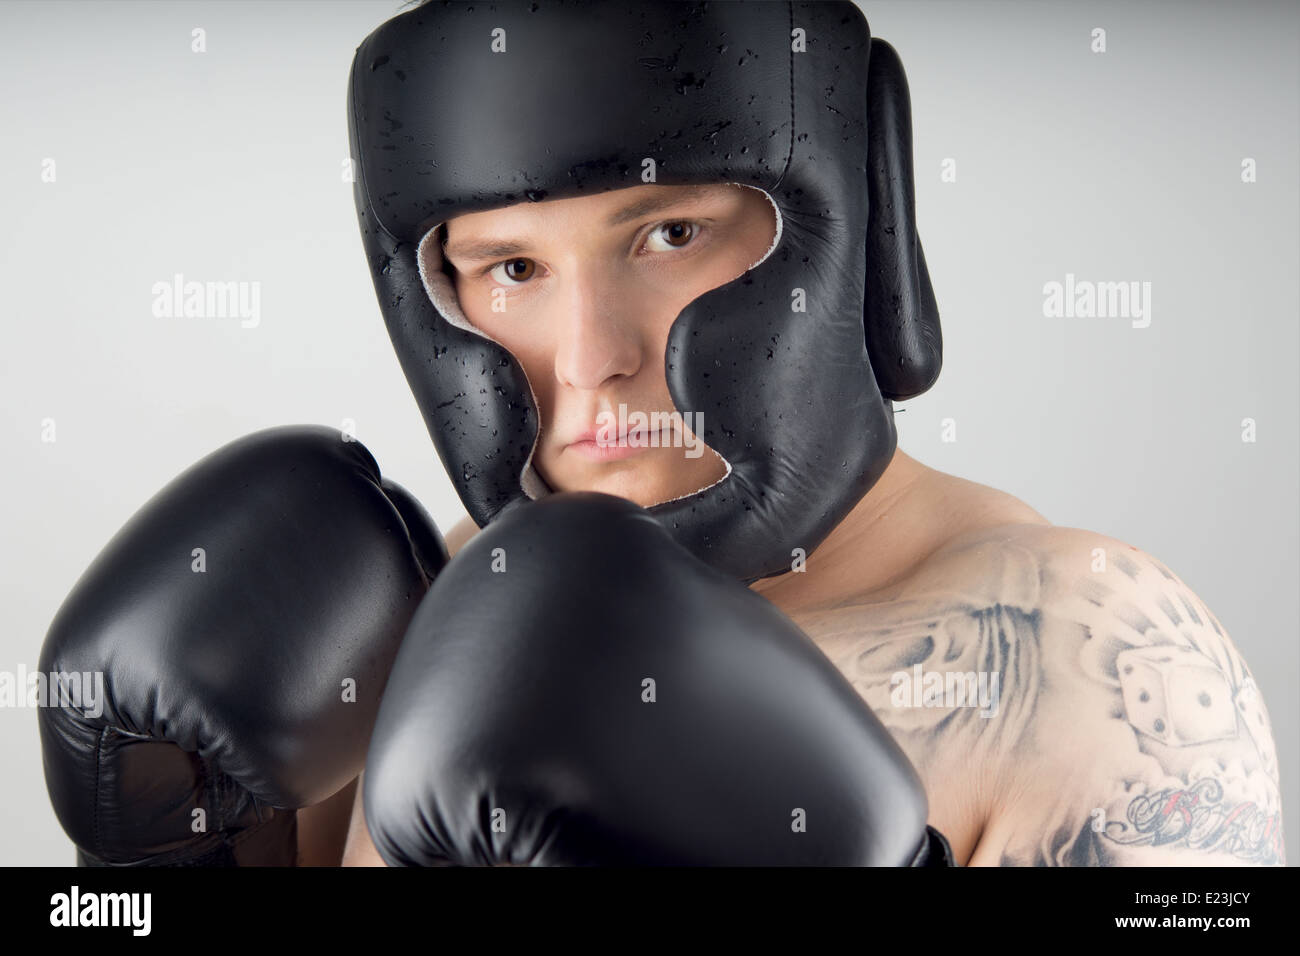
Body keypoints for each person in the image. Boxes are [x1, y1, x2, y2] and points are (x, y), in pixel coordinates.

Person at [319, 181, 1284, 866]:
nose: (589, 356)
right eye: (516, 266)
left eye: (671, 235)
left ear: (843, 232)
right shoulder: (443, 597)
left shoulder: (1082, 651)